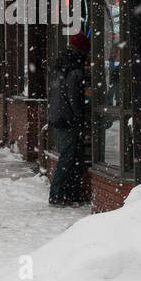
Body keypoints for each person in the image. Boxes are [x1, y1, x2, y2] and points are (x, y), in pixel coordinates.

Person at [48, 32, 89, 206]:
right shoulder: (75, 67)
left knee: (70, 156)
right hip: (68, 118)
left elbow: (58, 92)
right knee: (68, 156)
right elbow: (73, 95)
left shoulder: (62, 64)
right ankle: (58, 194)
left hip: (59, 115)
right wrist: (80, 114)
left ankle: (65, 193)